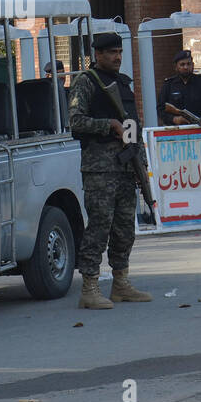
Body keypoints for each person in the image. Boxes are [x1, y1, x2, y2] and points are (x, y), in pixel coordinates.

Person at [67, 32, 153, 310]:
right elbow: (76, 121)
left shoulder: (123, 84)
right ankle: (89, 287)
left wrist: (141, 162)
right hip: (100, 169)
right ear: (98, 55)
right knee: (100, 226)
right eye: (111, 53)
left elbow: (134, 126)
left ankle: (121, 283)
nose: (117, 57)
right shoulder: (86, 82)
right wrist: (109, 126)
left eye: (120, 52)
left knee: (125, 228)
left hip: (126, 166)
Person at [157, 49, 201, 126]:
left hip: (199, 130)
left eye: (188, 64)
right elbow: (160, 109)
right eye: (182, 64)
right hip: (175, 131)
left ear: (193, 65)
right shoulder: (168, 85)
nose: (186, 67)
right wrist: (173, 119)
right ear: (176, 67)